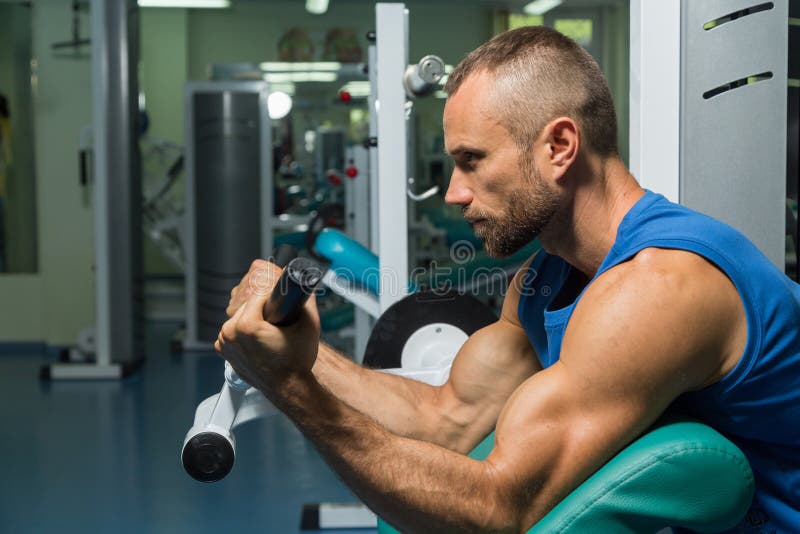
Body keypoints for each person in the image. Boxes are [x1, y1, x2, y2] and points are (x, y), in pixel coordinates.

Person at [216, 27, 800, 532]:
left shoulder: (658, 287)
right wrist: (296, 354)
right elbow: (447, 420)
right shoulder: (544, 278)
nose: (453, 192)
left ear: (560, 147)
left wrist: (292, 390)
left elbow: (500, 507)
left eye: (472, 160)